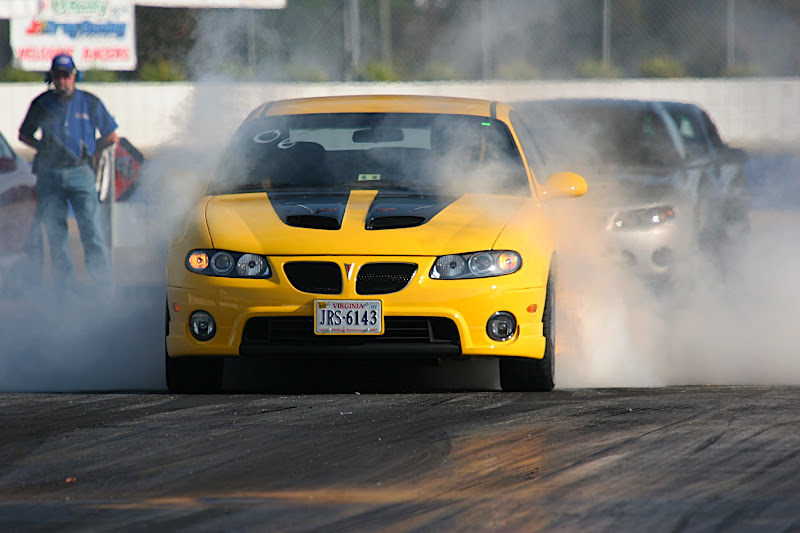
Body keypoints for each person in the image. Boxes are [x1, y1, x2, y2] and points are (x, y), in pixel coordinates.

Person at [18, 53, 119, 293]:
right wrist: (43, 148)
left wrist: (92, 150)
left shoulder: (90, 102)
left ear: (75, 76)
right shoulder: (42, 103)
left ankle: (103, 286)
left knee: (91, 231)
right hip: (49, 174)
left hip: (80, 172)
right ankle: (65, 290)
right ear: (51, 77)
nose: (62, 80)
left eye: (66, 75)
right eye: (57, 76)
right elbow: (23, 134)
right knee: (56, 235)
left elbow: (111, 135)